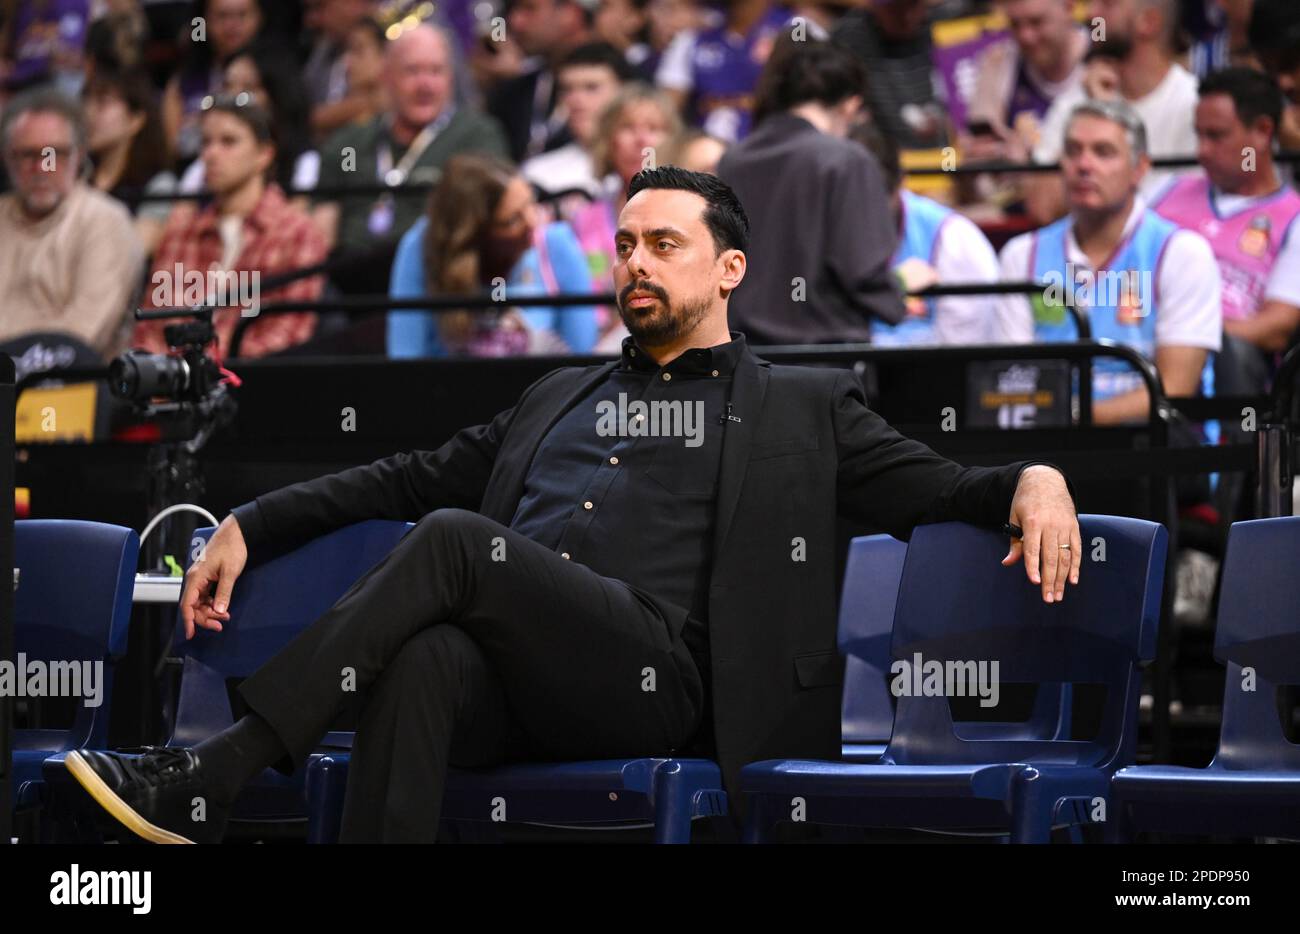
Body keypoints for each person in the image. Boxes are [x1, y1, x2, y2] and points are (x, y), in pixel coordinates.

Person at [63, 166, 1080, 844]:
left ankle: (218, 772)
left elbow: (945, 488)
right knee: (424, 656)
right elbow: (405, 476)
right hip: (525, 683)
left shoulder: (806, 408)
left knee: (460, 545)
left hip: (668, 683)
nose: (635, 261)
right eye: (626, 243)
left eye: (664, 244)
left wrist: (1035, 478)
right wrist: (250, 520)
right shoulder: (558, 393)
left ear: (728, 270)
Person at [994, 99, 1222, 427]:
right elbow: (1012, 380)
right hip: (1047, 451)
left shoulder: (1182, 252)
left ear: (1139, 168)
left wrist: (1073, 418)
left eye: (1103, 152)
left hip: (1155, 453)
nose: (1084, 165)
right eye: (1073, 151)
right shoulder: (1021, 255)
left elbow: (1175, 389)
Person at [716, 37, 907, 344]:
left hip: (744, 359)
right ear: (851, 105)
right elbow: (862, 270)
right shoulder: (847, 160)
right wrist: (896, 294)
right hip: (825, 363)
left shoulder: (732, 161)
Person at [312, 23, 510, 292]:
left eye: (436, 71)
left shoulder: (478, 137)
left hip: (438, 285)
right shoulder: (349, 144)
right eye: (412, 71)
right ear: (387, 77)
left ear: (451, 78)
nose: (425, 84)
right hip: (352, 289)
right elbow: (321, 235)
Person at [133, 95, 327, 360]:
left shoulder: (297, 233)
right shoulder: (181, 231)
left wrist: (199, 368)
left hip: (253, 390)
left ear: (264, 155)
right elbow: (149, 330)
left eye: (228, 142)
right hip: (169, 390)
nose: (210, 154)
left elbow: (286, 337)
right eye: (206, 142)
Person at [1152, 67, 1300, 388]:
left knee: (1237, 355)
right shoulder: (1165, 192)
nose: (1201, 150)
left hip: (1225, 363)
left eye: (1216, 136)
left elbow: (1276, 328)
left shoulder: (1294, 218)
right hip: (1143, 342)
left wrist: (1186, 336)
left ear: (1262, 132)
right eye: (1199, 134)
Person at [387, 154, 599, 357]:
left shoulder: (557, 244)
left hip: (545, 390)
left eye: (530, 203)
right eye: (513, 220)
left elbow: (583, 359)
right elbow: (406, 357)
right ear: (474, 236)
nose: (533, 222)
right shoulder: (423, 245)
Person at [0, 87, 144, 358]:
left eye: (55, 154)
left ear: (79, 156)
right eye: (29, 155)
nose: (42, 168)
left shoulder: (105, 221)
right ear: (8, 159)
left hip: (67, 387)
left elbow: (83, 335)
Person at [1026, 0, 1199, 222]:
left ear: (1148, 22)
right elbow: (1042, 208)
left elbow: (1191, 214)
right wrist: (1097, 110)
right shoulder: (1080, 99)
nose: (1091, 13)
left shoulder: (1192, 105)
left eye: (1107, 4)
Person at [852, 123, 1003, 346]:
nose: (861, 219)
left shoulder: (955, 241)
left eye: (874, 206)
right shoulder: (815, 230)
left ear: (901, 184)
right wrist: (897, 284)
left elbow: (960, 357)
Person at [566, 82, 683, 349]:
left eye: (654, 129)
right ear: (609, 140)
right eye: (628, 127)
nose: (641, 140)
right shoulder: (582, 218)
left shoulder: (684, 216)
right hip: (588, 348)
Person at [522, 42, 636, 201]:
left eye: (591, 87)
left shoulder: (655, 165)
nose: (576, 100)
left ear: (625, 93)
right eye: (567, 89)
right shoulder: (538, 173)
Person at [484, 0, 596, 161]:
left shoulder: (620, 81)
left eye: (529, 9)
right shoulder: (515, 89)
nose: (515, 21)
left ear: (570, 14)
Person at [83, 67, 177, 254]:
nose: (88, 114)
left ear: (136, 120)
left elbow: (137, 251)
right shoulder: (76, 178)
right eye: (85, 103)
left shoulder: (159, 184)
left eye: (103, 103)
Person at [162, 0, 265, 167]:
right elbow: (172, 146)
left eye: (242, 15)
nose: (232, 25)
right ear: (203, 21)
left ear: (258, 18)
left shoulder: (273, 73)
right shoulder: (184, 78)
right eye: (222, 16)